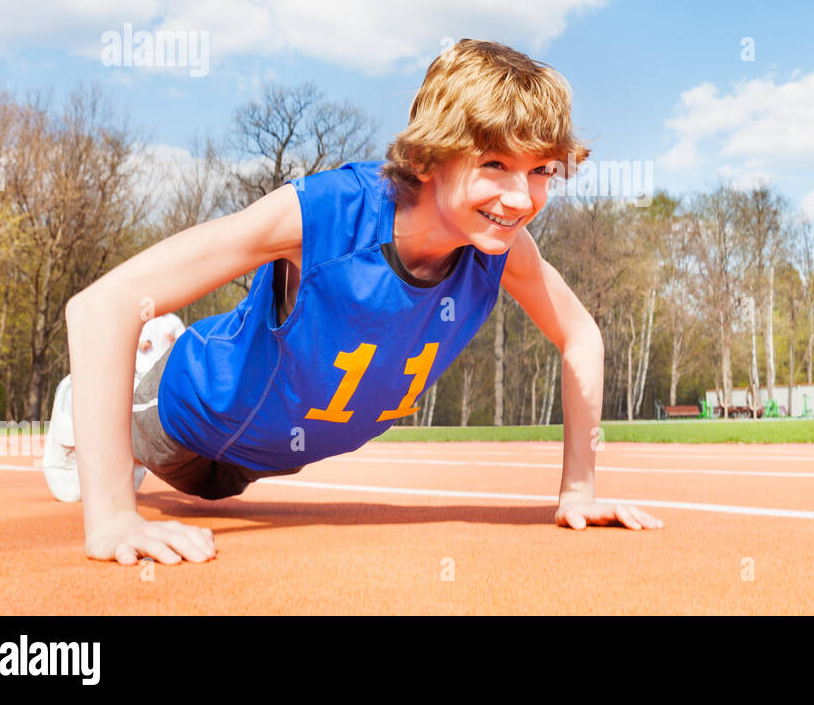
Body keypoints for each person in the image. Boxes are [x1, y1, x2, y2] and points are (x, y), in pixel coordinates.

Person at [60, 39, 662, 564]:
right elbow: (99, 307)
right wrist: (112, 517)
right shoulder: (328, 214)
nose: (520, 196)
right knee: (133, 405)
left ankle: (152, 350)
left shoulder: (503, 252)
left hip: (253, 466)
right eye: (495, 164)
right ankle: (119, 378)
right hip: (183, 420)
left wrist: (578, 490)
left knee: (215, 490)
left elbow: (580, 333)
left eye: (541, 171)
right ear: (429, 157)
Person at [43, 312, 187, 502]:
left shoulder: (173, 321)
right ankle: (79, 413)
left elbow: (182, 344)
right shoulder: (142, 317)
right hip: (139, 374)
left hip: (157, 381)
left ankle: (126, 443)